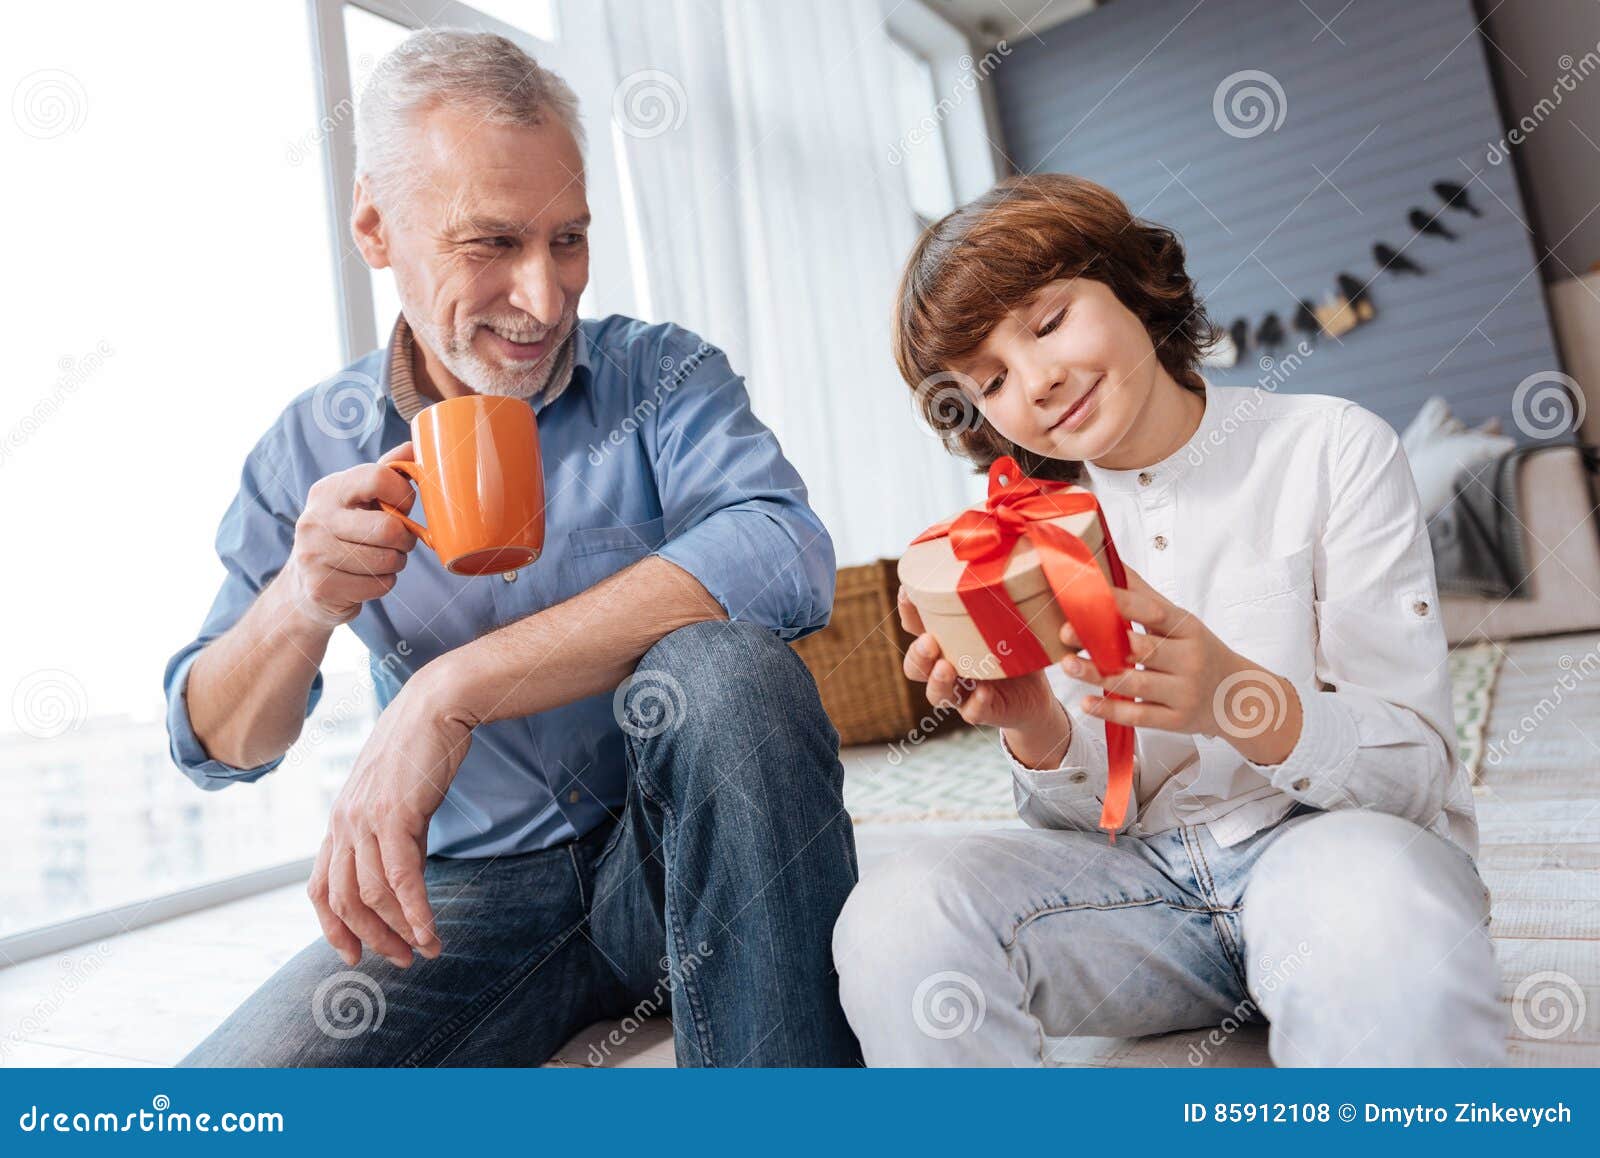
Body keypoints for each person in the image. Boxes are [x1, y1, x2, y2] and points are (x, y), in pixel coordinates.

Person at [168, 30, 858, 1067]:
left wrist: (452, 690)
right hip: (466, 903)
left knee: (723, 669)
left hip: (679, 847)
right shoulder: (308, 447)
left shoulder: (661, 376)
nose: (544, 299)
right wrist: (298, 605)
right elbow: (220, 745)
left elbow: (783, 550)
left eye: (568, 239)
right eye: (491, 244)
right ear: (375, 227)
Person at [833, 174, 1505, 1066]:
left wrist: (1239, 698)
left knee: (1380, 908)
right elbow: (1081, 826)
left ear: (1132, 286)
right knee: (890, 916)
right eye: (989, 380)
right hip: (1139, 905)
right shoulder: (1029, 539)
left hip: (1325, 860)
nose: (1036, 383)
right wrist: (1035, 728)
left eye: (1047, 322)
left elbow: (1414, 778)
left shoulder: (1330, 449)